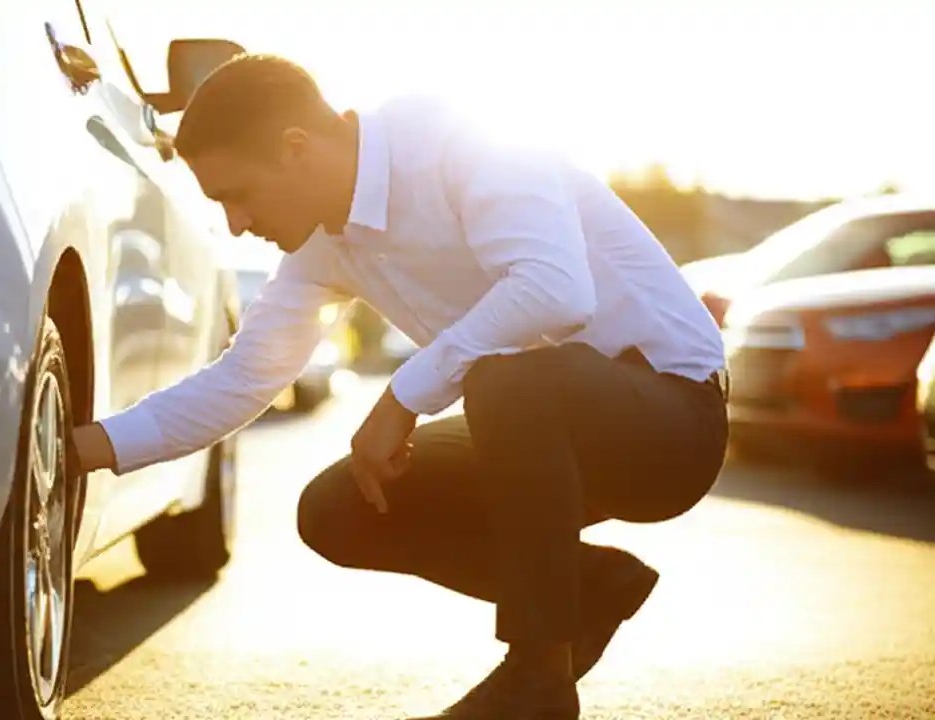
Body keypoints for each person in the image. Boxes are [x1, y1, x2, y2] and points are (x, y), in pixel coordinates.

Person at [72, 53, 729, 720]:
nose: (236, 223)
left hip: (672, 420)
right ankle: (587, 591)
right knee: (340, 507)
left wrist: (401, 398)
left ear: (295, 149)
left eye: (236, 195)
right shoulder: (321, 249)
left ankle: (537, 683)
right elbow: (242, 379)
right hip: (536, 433)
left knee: (505, 383)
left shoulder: (459, 140)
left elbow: (555, 292)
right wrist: (78, 451)